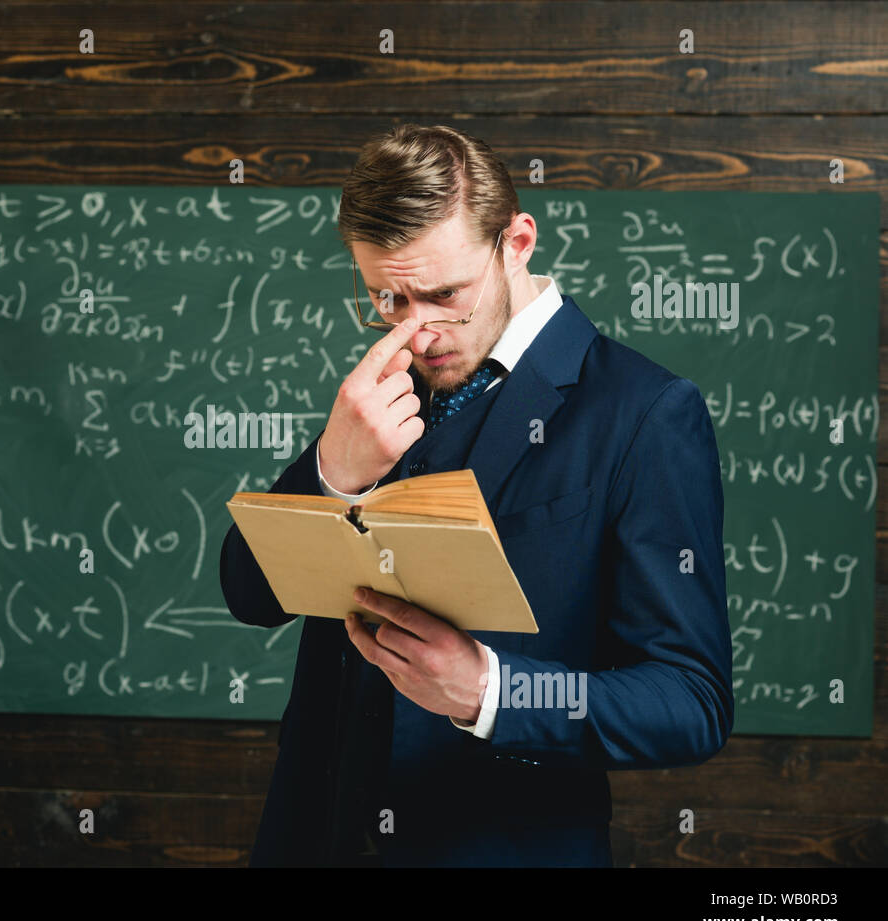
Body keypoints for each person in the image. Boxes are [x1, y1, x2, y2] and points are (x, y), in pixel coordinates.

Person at [219, 125, 734, 866]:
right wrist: (334, 466)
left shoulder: (644, 411)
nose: (417, 334)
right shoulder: (380, 393)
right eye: (387, 298)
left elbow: (692, 702)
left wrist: (488, 691)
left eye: (445, 296)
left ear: (517, 241)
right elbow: (250, 594)